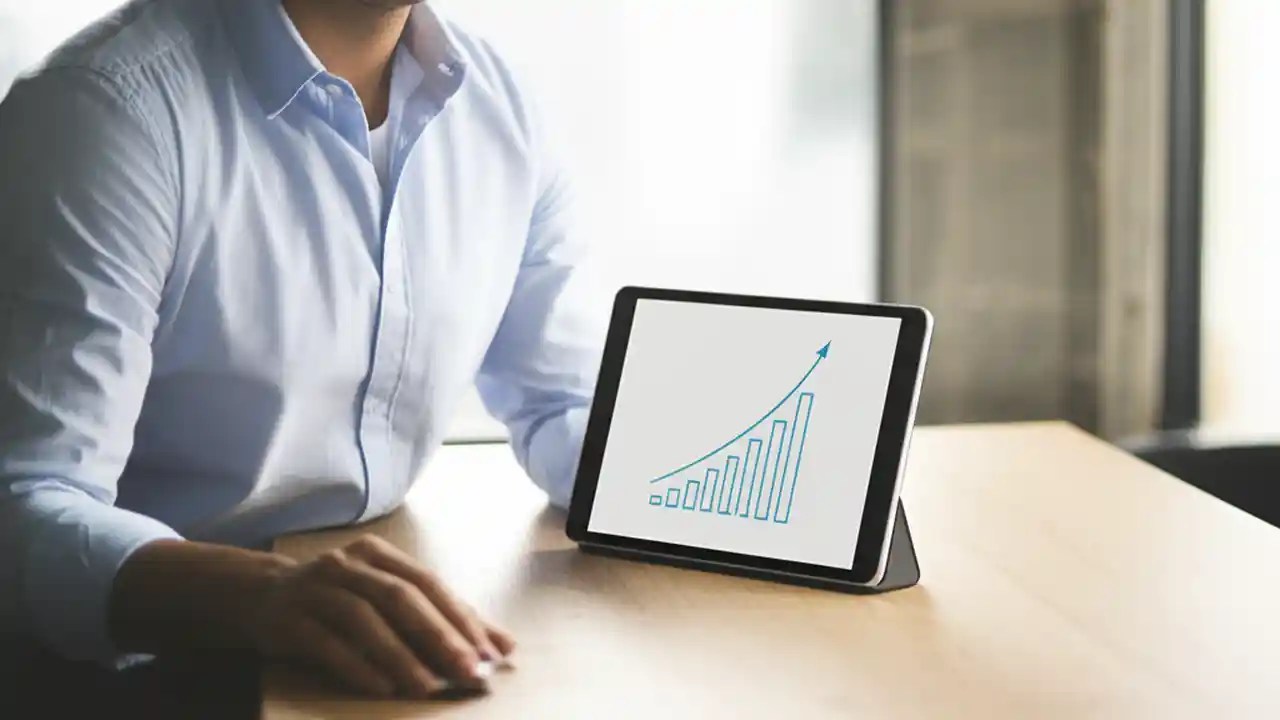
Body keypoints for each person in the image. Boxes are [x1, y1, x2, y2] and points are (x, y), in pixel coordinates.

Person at [0, 0, 604, 699]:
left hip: (352, 646)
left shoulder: (501, 107)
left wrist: (700, 498)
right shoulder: (104, 113)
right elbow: (26, 501)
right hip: (133, 668)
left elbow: (564, 405)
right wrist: (259, 598)